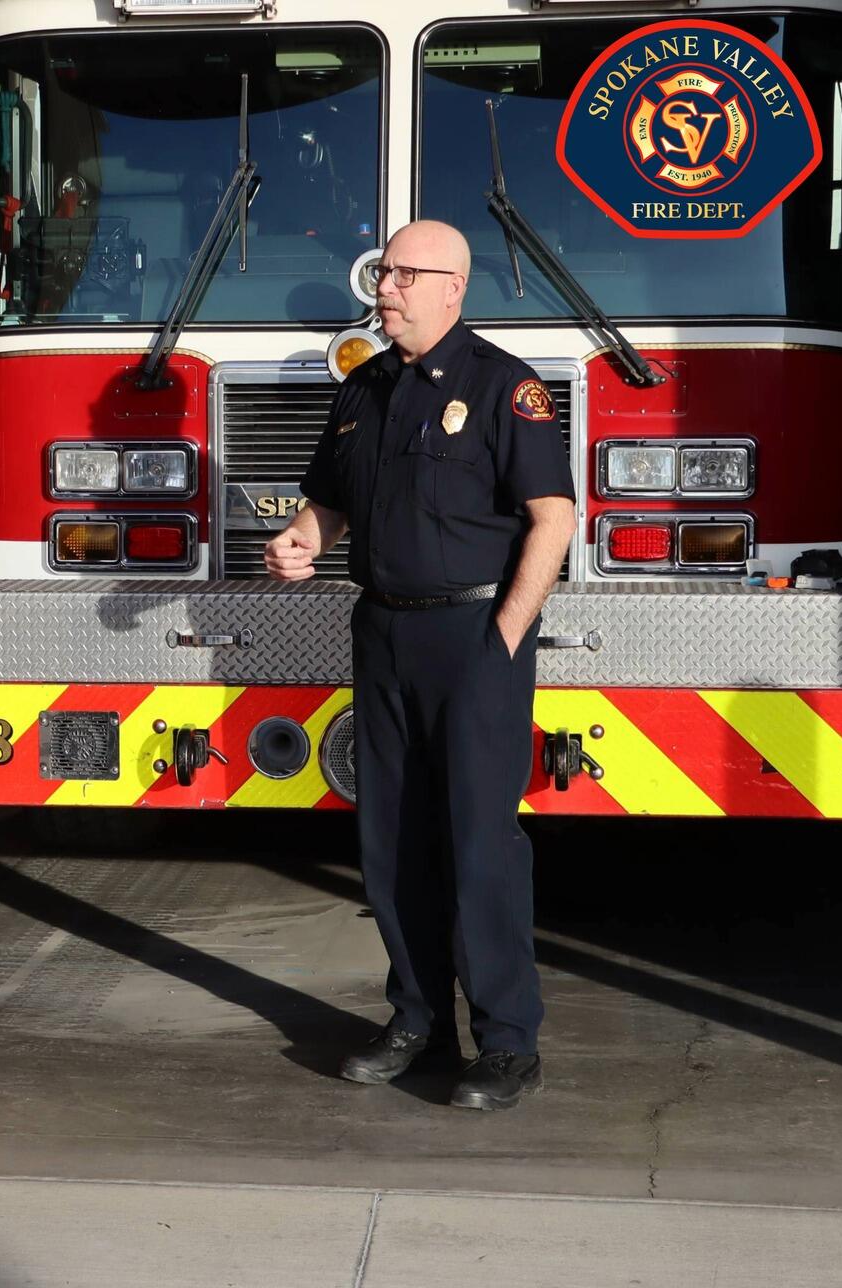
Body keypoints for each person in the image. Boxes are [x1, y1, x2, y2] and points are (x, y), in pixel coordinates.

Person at [266, 219, 575, 1112]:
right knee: (391, 839)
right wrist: (301, 541)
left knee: (480, 842)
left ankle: (508, 1042)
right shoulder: (362, 387)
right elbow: (330, 505)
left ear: (453, 287)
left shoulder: (503, 386)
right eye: (383, 272)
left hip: (473, 635)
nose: (386, 287)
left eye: (404, 274)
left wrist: (505, 633)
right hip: (383, 631)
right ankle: (419, 1021)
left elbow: (552, 516)